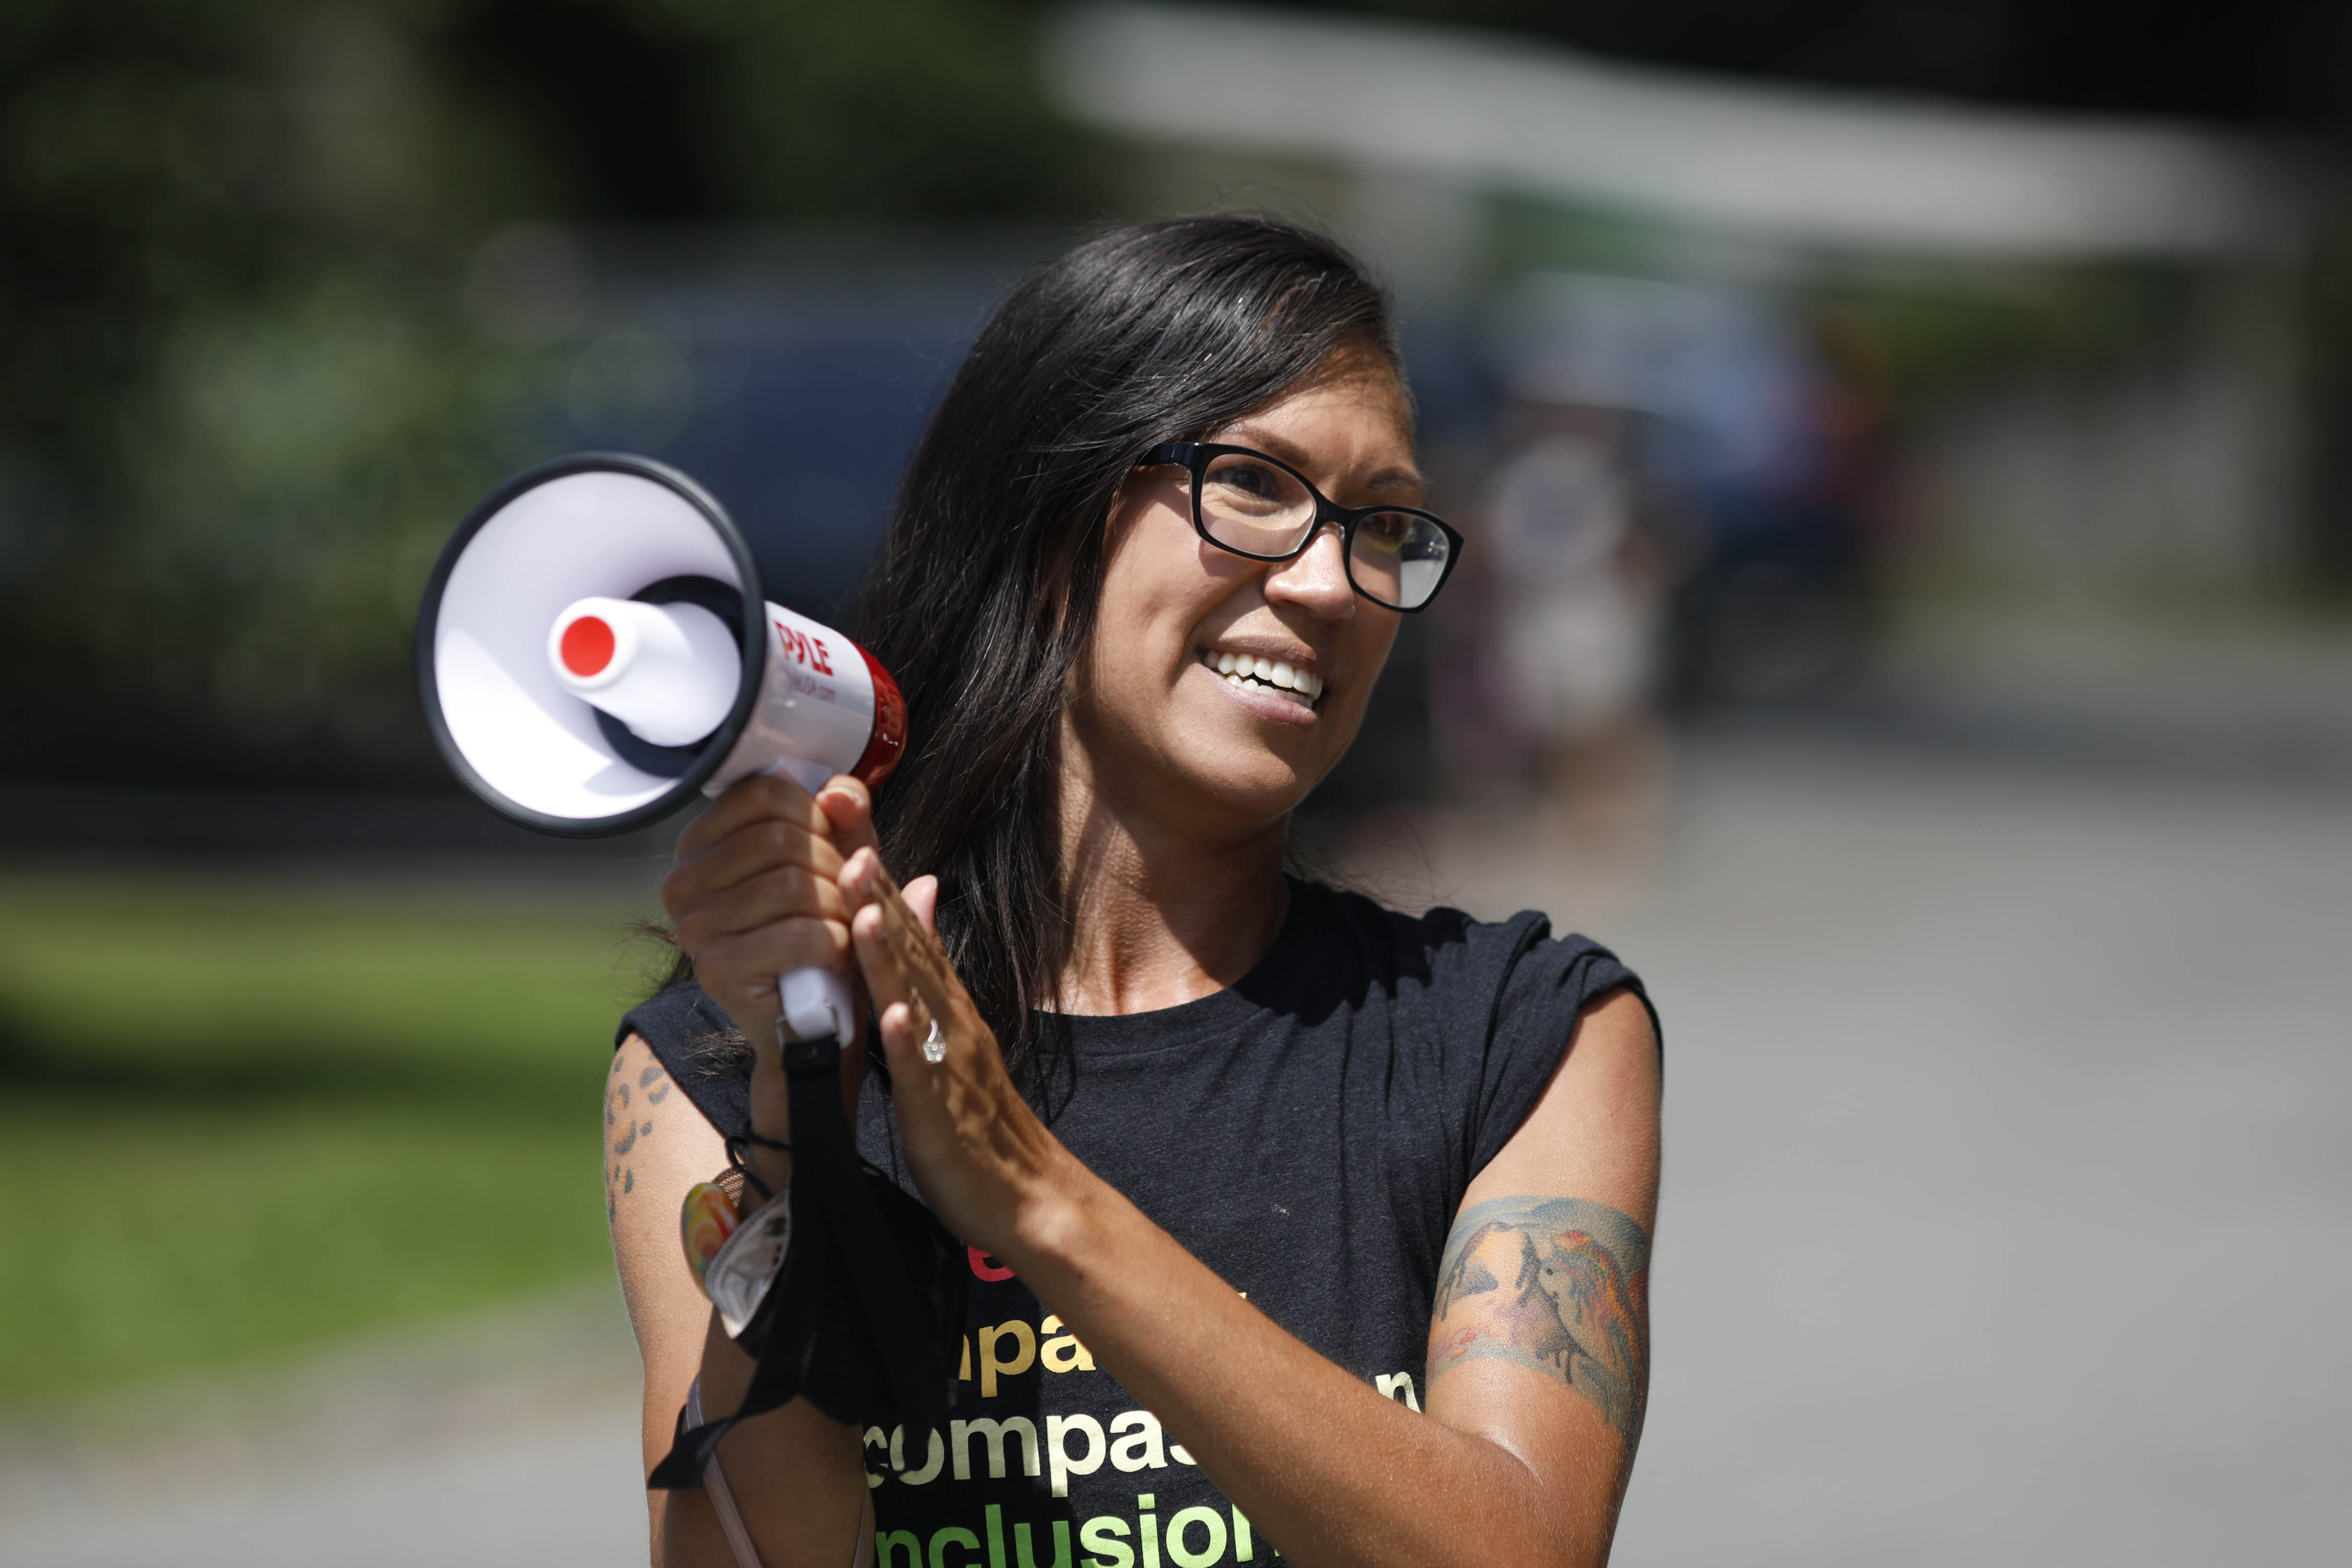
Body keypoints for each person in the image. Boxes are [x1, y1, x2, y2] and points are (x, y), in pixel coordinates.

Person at [605, 217, 1662, 1568]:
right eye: (1254, 485)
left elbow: (1519, 1552)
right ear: (1054, 528)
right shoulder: (702, 1065)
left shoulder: (1521, 1034)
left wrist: (1034, 1197)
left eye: (1383, 524)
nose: (1334, 582)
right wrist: (789, 1120)